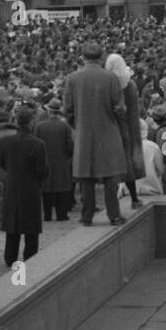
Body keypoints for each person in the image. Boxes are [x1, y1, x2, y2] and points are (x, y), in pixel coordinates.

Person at [62, 43, 128, 225]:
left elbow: (67, 109)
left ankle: (87, 216)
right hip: (107, 130)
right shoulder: (110, 77)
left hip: (84, 132)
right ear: (101, 57)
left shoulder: (72, 78)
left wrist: (78, 124)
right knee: (110, 176)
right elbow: (120, 108)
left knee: (86, 176)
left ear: (83, 58)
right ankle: (114, 215)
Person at [0, 107, 49, 267]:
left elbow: (1, 163)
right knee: (31, 228)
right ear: (31, 122)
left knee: (12, 227)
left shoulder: (5, 142)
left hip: (12, 187)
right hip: (31, 188)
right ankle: (30, 258)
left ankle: (10, 258)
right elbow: (43, 170)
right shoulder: (38, 144)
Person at [106, 53, 145, 210]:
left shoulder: (108, 84)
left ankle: (113, 201)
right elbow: (135, 111)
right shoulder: (131, 85)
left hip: (111, 128)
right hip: (128, 128)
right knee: (128, 165)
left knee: (110, 167)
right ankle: (134, 198)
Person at [33, 98, 75, 222]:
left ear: (49, 111)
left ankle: (47, 215)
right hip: (62, 161)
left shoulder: (40, 126)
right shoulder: (64, 126)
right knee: (61, 189)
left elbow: (35, 144)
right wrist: (68, 155)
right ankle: (62, 214)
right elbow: (70, 145)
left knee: (46, 189)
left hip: (45, 161)